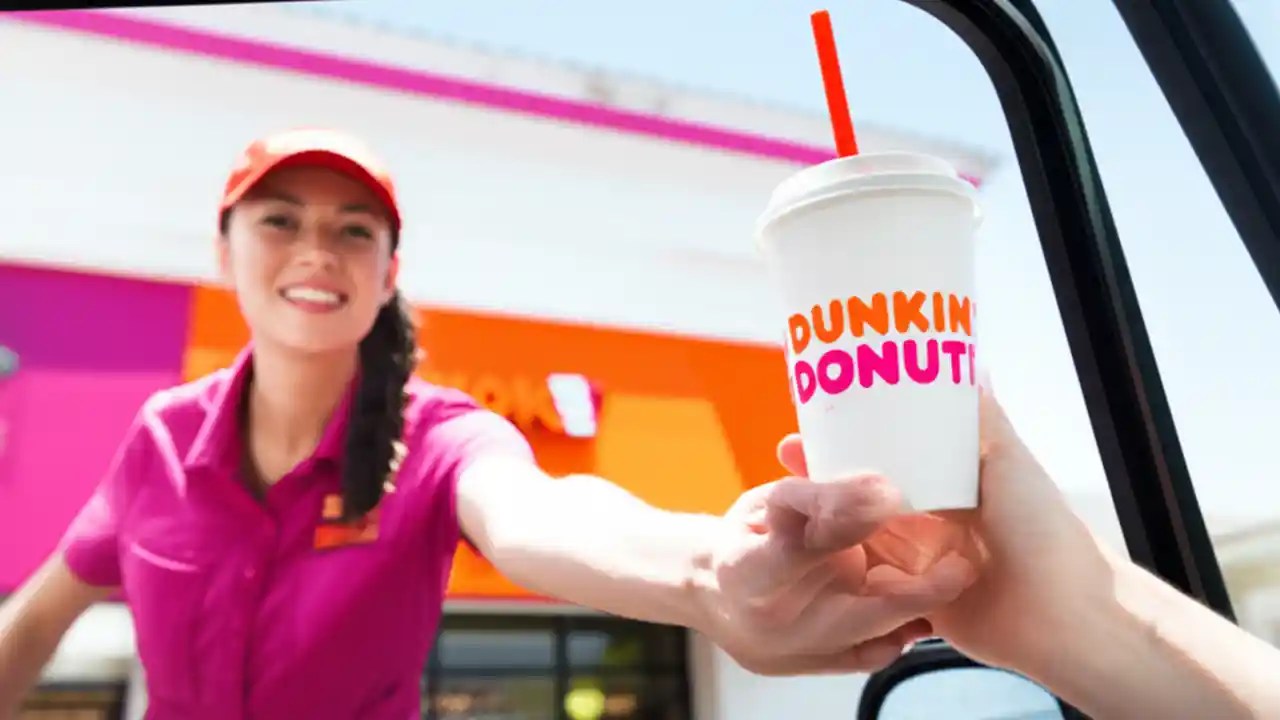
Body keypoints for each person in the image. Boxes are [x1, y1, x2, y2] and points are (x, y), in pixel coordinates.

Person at [0, 128, 1276, 720]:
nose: (315, 248)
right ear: (226, 247)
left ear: (388, 271)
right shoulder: (155, 442)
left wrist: (715, 574)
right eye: (279, 218)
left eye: (354, 227)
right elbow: (44, 613)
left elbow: (560, 520)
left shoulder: (440, 441)